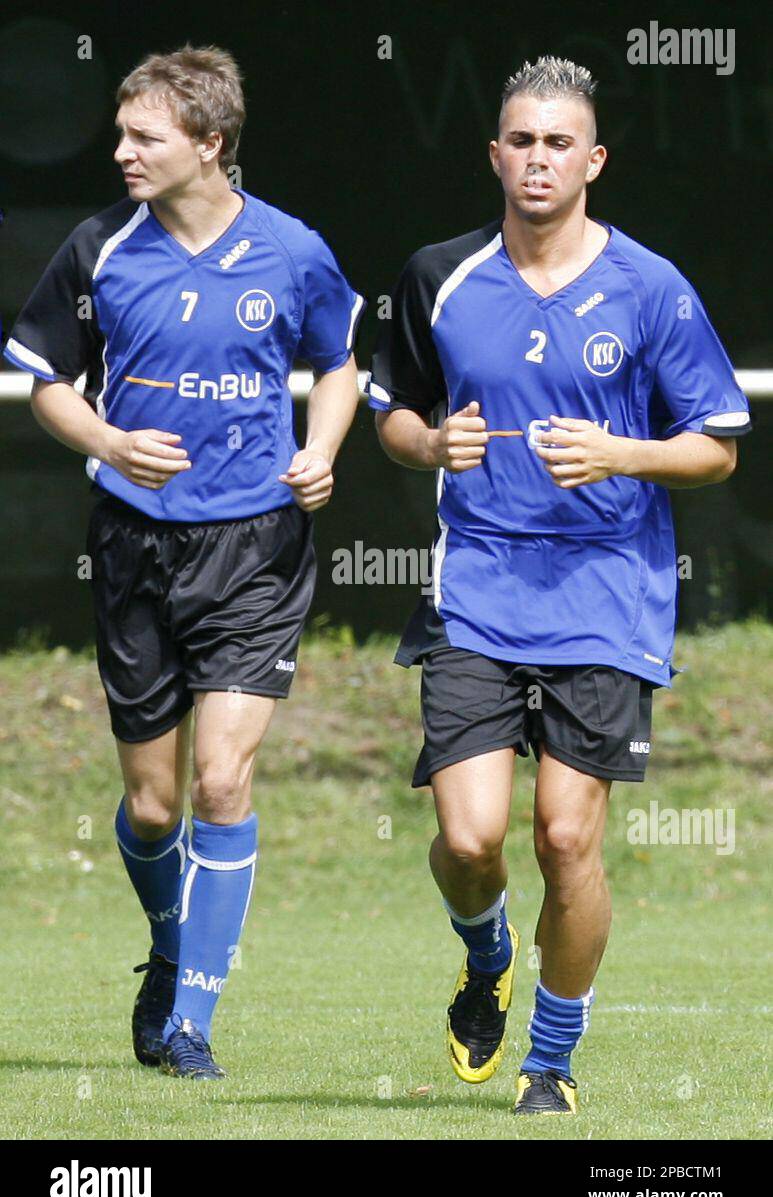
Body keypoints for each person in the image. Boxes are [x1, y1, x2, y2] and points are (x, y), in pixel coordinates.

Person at [367, 56, 749, 1114]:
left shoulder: (648, 287)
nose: (537, 159)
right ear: (494, 155)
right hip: (476, 591)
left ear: (592, 160)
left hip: (606, 595)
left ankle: (550, 1061)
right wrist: (429, 442)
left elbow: (715, 445)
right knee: (468, 839)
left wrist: (621, 455)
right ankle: (483, 950)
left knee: (565, 837)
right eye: (519, 142)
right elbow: (390, 413)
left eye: (556, 143)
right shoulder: (436, 275)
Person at [3, 45, 363, 1080]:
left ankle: (192, 1024)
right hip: (132, 543)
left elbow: (336, 363)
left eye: (142, 136)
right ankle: (168, 949)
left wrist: (320, 452)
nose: (120, 152)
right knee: (154, 807)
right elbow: (47, 384)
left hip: (255, 544)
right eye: (121, 133)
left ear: (209, 144)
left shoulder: (290, 250)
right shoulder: (97, 248)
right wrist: (110, 442)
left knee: (221, 778)